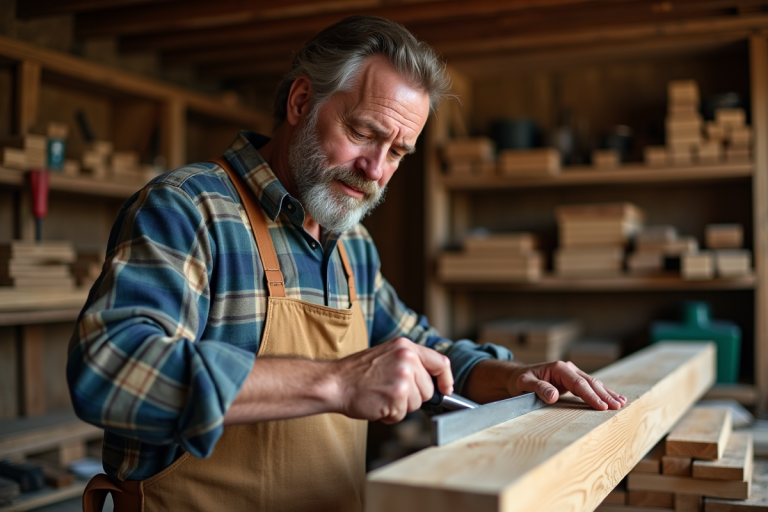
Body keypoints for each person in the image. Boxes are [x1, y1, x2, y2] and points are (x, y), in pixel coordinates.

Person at [69, 15, 626, 512]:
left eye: (398, 153)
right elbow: (110, 372)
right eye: (364, 133)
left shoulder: (350, 245)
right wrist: (334, 382)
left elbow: (421, 350)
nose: (376, 170)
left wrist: (511, 376)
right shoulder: (189, 209)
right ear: (300, 102)